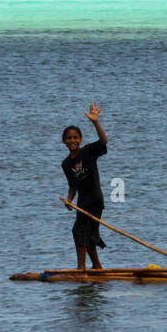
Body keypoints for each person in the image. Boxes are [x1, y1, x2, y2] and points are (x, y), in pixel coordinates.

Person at [61, 103, 108, 270]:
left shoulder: (88, 151)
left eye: (75, 137)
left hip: (95, 200)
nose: (72, 140)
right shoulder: (66, 164)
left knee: (87, 234)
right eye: (69, 138)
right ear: (64, 141)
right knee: (80, 233)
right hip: (82, 202)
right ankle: (95, 267)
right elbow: (72, 185)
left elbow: (103, 141)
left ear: (80, 140)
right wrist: (69, 200)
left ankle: (82, 269)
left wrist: (95, 122)